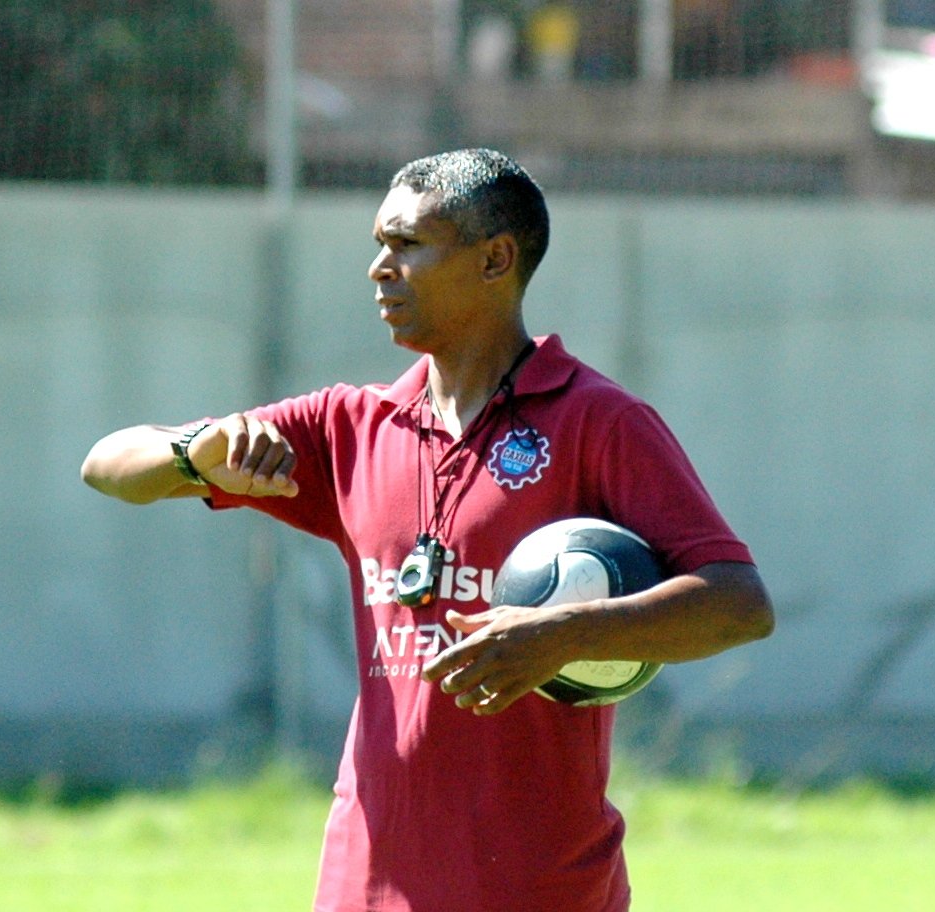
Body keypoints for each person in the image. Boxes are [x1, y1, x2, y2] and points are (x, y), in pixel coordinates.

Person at [81, 148, 774, 912]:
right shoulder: (350, 425)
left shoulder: (597, 422)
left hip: (539, 889)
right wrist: (194, 452)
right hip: (365, 885)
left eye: (408, 244)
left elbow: (739, 603)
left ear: (495, 259)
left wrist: (564, 634)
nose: (380, 268)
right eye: (380, 243)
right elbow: (107, 466)